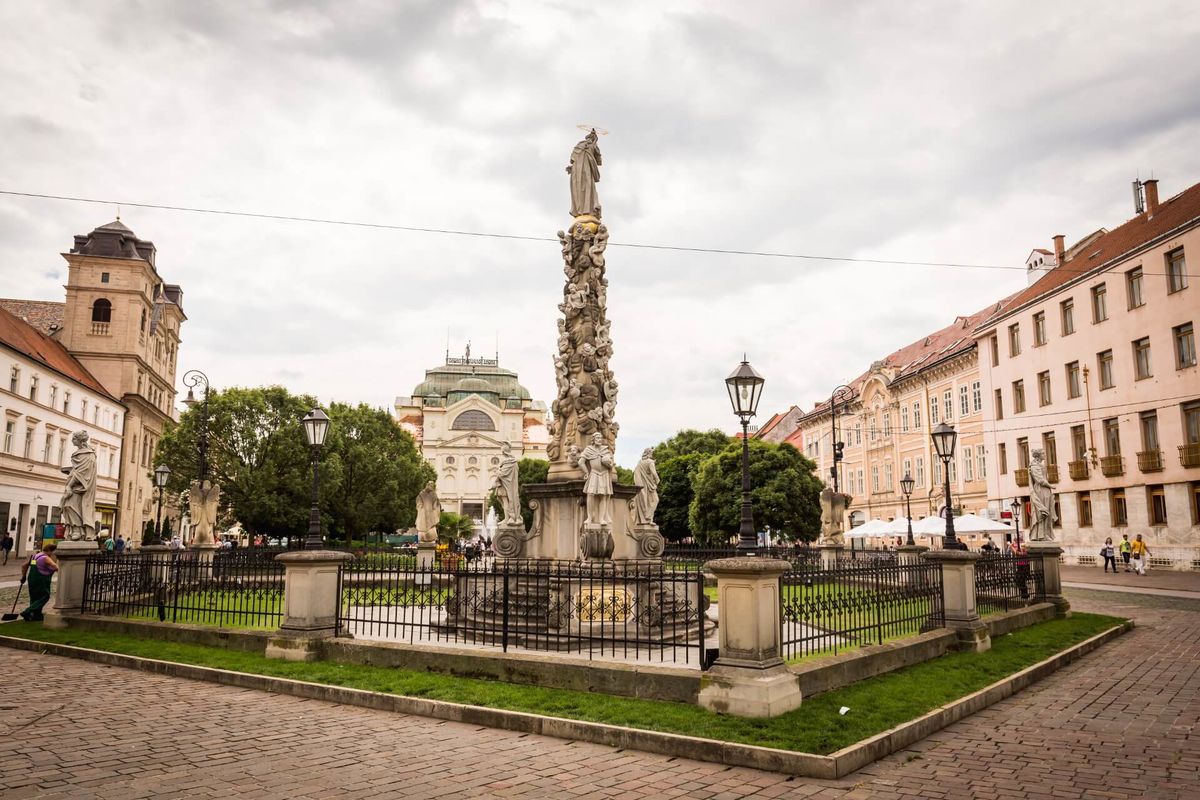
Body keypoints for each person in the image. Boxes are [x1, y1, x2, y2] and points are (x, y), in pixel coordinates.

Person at [19, 542, 59, 621]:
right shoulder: (45, 558)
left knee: (34, 597)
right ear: (50, 551)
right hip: (41, 579)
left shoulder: (35, 557)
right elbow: (54, 565)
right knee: (44, 596)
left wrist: (23, 576)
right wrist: (61, 571)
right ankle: (27, 611)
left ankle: (36, 616)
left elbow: (24, 565)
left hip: (32, 579)